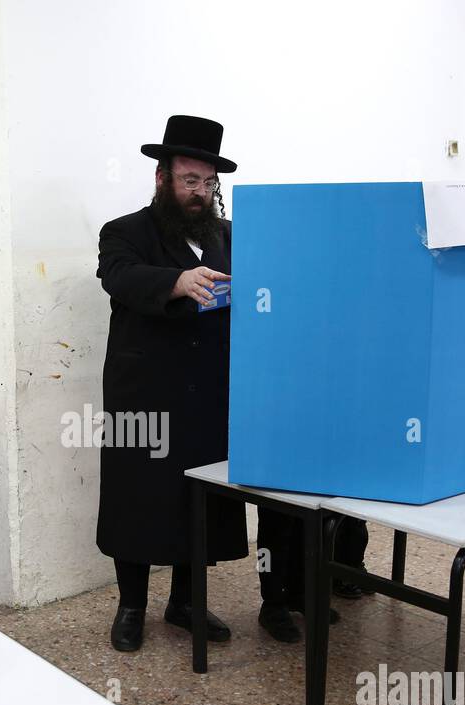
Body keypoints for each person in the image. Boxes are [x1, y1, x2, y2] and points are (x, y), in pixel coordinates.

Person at [95, 115, 306, 651]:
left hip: (211, 394)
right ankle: (132, 606)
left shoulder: (230, 236)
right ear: (162, 178)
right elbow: (118, 278)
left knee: (201, 501)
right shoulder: (124, 232)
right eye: (190, 180)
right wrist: (176, 282)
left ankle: (186, 603)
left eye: (209, 183)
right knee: (137, 501)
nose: (200, 192)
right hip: (145, 394)